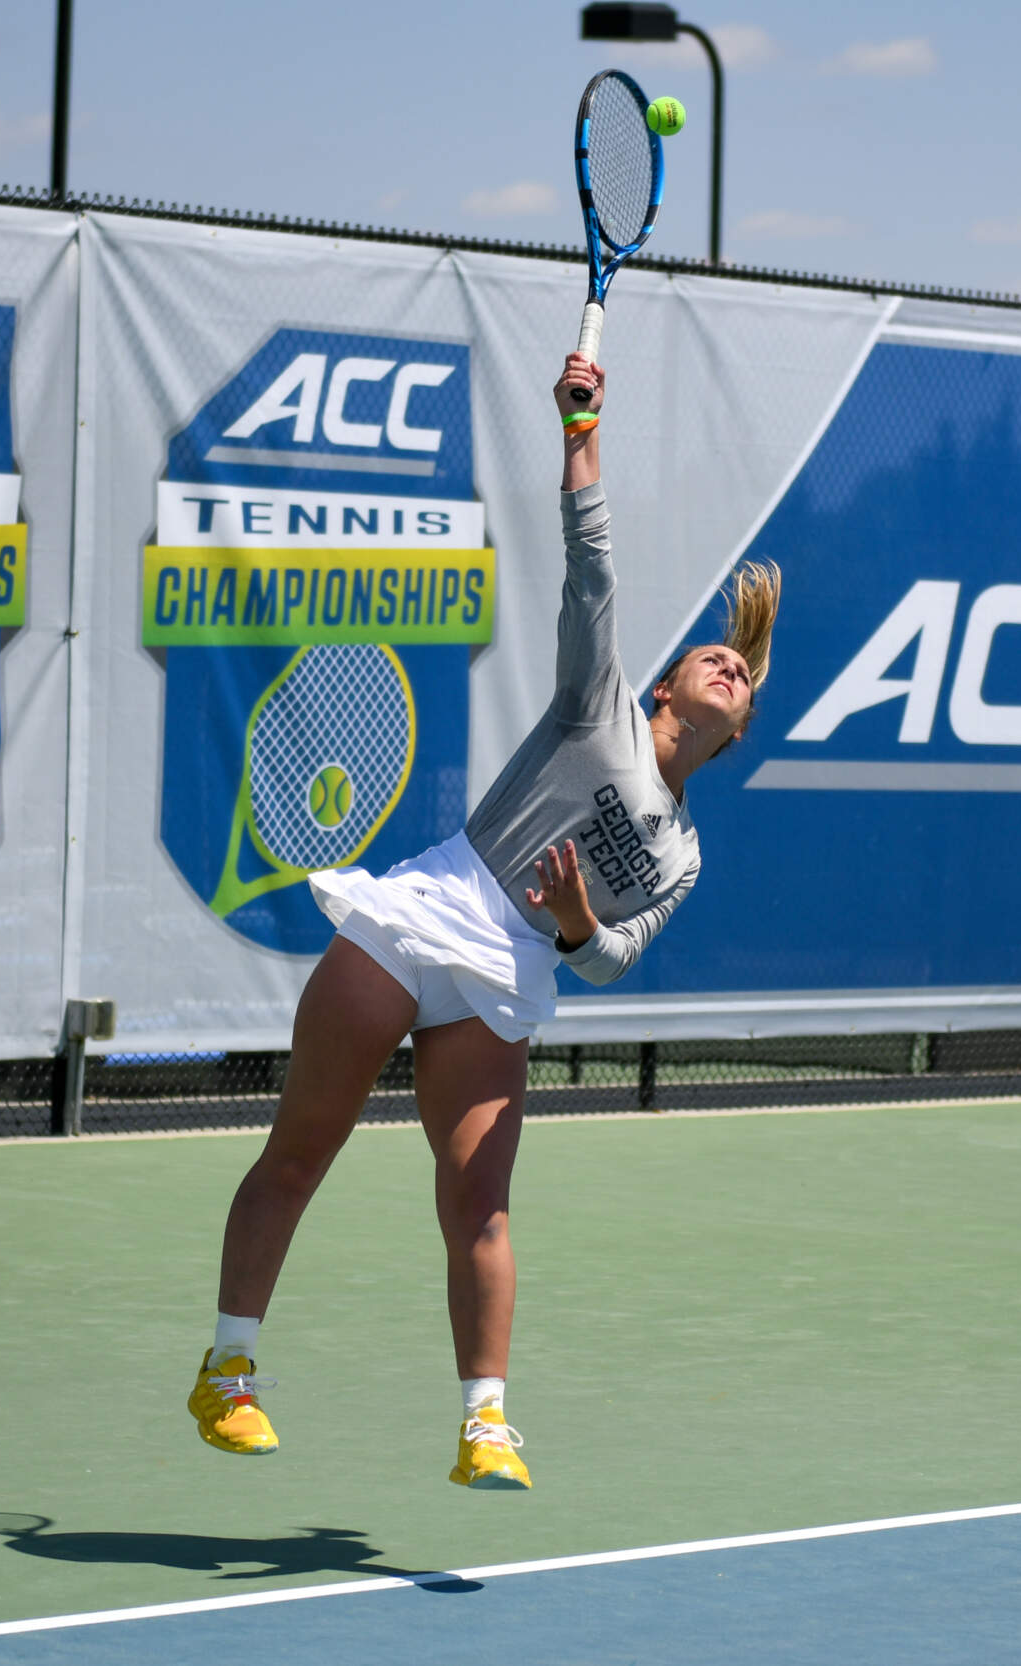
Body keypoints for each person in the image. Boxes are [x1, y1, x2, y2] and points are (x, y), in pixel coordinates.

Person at [188, 351, 781, 1490]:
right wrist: (581, 430)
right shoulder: (595, 704)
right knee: (301, 1152)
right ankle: (228, 1368)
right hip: (428, 910)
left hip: (509, 974)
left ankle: (486, 1422)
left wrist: (567, 924)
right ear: (661, 690)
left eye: (744, 678)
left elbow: (611, 963)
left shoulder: (683, 855)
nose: (726, 664)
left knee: (480, 1204)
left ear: (733, 731)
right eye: (711, 655)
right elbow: (590, 564)